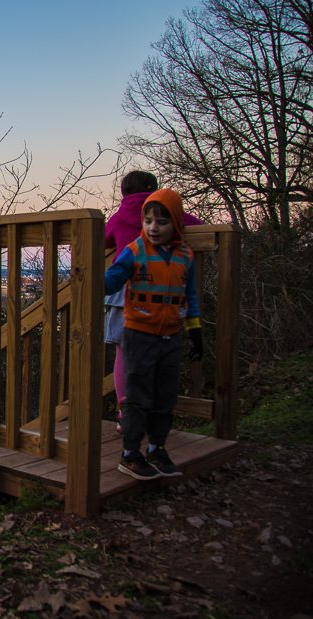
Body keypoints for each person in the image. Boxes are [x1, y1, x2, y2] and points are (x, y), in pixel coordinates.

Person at [104, 188, 203, 480]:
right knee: (136, 396)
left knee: (164, 396)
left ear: (176, 223)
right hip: (138, 333)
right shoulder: (135, 251)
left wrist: (195, 332)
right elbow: (113, 279)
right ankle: (130, 453)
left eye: (161, 222)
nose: (153, 228)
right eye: (148, 221)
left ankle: (157, 448)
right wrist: (92, 280)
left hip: (171, 336)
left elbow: (190, 296)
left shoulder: (184, 255)